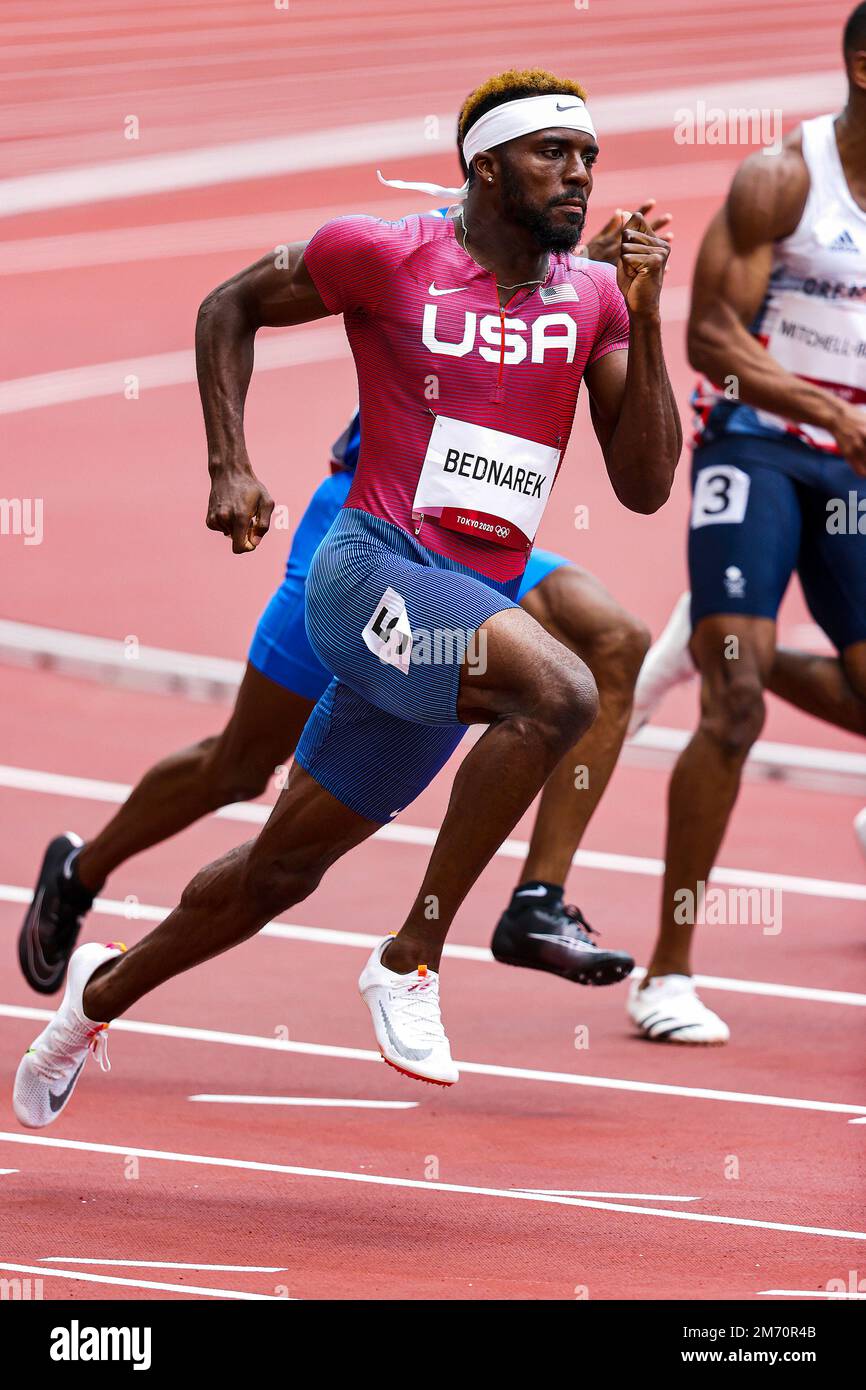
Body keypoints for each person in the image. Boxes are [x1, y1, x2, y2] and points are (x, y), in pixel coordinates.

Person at [14, 67, 680, 1126]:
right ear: (486, 164)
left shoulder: (590, 298)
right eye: (553, 152)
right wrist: (227, 463)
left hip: (464, 604)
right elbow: (227, 303)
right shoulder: (384, 254)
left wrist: (641, 324)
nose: (580, 175)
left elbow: (644, 487)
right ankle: (411, 957)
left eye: (590, 156)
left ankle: (88, 1004)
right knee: (555, 692)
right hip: (365, 563)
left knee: (279, 870)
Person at [625, 6, 866, 1045]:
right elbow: (707, 338)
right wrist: (824, 411)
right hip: (757, 444)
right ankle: (663, 972)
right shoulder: (783, 177)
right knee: (732, 706)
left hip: (849, 459)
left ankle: (716, 629)